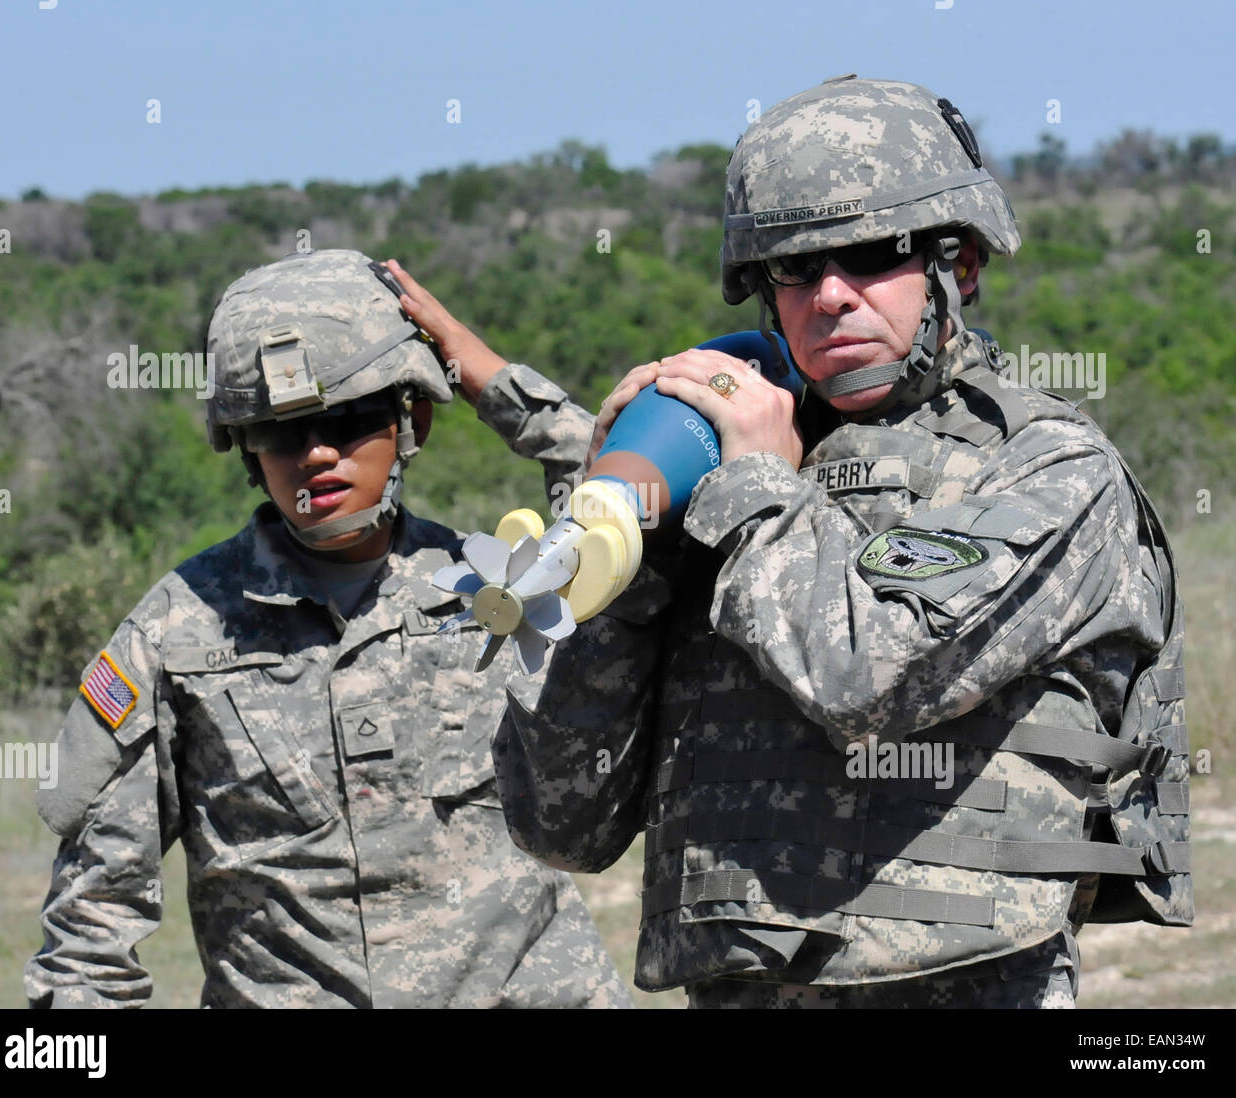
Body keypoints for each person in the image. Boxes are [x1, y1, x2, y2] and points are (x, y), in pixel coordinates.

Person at [396, 76, 1191, 1008]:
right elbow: (561, 824)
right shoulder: (723, 484)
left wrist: (754, 492)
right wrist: (633, 563)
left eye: (869, 255)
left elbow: (868, 675)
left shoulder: (1047, 469)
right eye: (795, 270)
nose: (832, 297)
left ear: (960, 264)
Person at [23, 248, 631, 1009]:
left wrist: (491, 381)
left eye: (346, 421)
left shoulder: (504, 589)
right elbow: (88, 929)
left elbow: (624, 499)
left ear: (411, 419)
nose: (316, 454)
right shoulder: (175, 634)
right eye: (282, 433)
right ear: (246, 446)